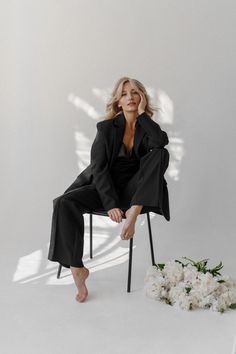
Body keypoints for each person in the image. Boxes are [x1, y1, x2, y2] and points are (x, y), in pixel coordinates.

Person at [48, 77, 170, 303]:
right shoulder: (106, 129)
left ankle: (134, 210)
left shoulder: (147, 127)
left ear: (142, 97)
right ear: (118, 102)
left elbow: (160, 143)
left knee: (160, 153)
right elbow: (99, 169)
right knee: (63, 202)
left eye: (135, 92)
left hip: (136, 193)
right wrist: (111, 203)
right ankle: (77, 268)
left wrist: (143, 116)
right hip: (107, 188)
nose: (130, 97)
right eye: (124, 94)